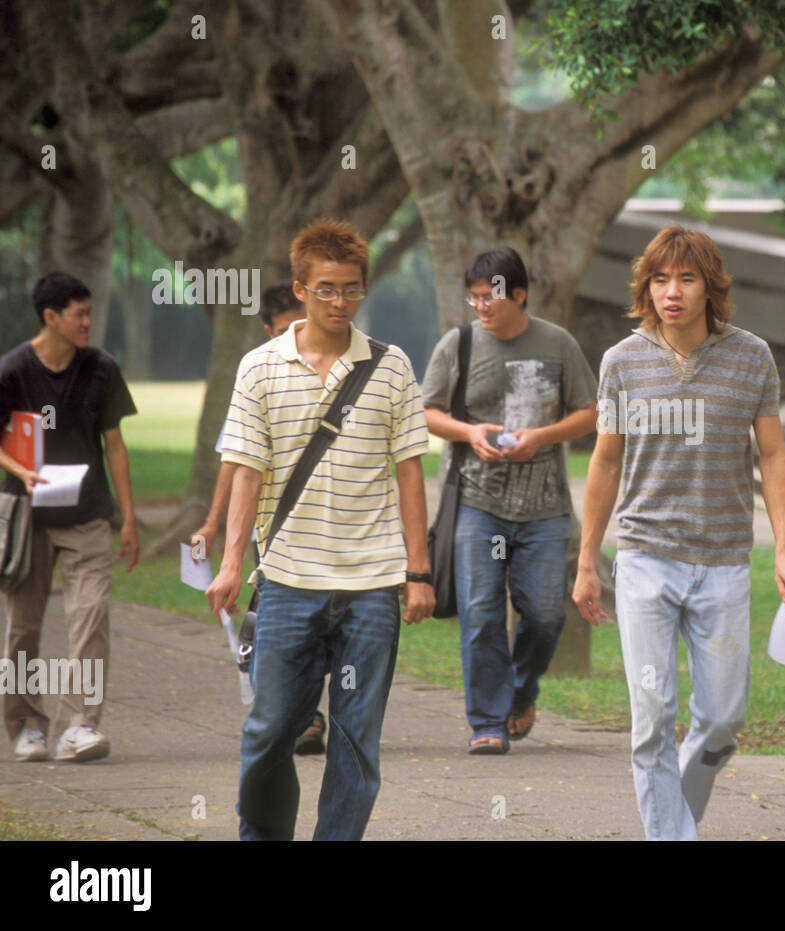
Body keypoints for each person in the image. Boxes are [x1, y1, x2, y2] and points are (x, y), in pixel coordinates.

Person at [573, 226, 785, 840]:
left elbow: (774, 456)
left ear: (711, 286)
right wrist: (585, 562)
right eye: (659, 280)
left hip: (724, 563)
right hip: (646, 560)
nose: (671, 292)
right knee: (652, 718)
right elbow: (604, 461)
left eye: (685, 279)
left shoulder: (751, 356)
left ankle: (674, 819)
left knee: (724, 720)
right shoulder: (622, 361)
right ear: (645, 288)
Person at [206, 218, 435, 841]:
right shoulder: (258, 368)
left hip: (372, 584)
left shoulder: (391, 368)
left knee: (357, 743)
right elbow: (246, 472)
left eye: (352, 289)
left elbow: (410, 473)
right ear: (301, 290)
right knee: (272, 728)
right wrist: (231, 564)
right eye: (328, 289)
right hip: (287, 579)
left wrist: (418, 571)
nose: (340, 302)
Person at [422, 247, 597, 754]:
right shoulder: (458, 345)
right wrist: (469, 432)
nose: (481, 306)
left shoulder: (556, 343)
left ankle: (520, 692)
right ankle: (487, 722)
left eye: (491, 297)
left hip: (544, 507)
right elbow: (426, 412)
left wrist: (541, 437)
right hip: (478, 503)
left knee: (545, 615)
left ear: (518, 294)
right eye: (474, 297)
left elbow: (590, 412)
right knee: (481, 612)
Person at [0, 271, 138, 762]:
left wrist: (128, 518)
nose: (88, 321)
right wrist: (21, 470)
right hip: (27, 519)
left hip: (87, 515)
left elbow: (115, 445)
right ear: (50, 316)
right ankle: (25, 726)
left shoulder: (101, 368)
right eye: (79, 313)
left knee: (90, 616)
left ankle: (79, 726)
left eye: (89, 311)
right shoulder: (12, 371)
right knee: (22, 627)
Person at [190, 283, 326, 755]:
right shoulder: (259, 374)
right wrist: (213, 525)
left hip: (329, 521)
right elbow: (237, 462)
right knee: (279, 618)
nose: (300, 334)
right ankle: (300, 716)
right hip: (273, 524)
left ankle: (303, 712)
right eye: (289, 328)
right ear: (269, 329)